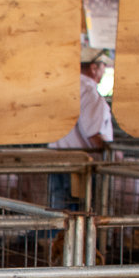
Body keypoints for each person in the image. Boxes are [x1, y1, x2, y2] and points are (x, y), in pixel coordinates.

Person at [48, 45, 114, 211]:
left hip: (57, 159)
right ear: (94, 68)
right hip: (80, 165)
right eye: (103, 67)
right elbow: (93, 133)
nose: (104, 71)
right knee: (80, 213)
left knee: (59, 212)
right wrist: (111, 153)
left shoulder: (64, 87)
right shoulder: (90, 93)